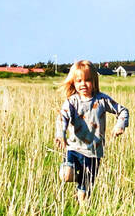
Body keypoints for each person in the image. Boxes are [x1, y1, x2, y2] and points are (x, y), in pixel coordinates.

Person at [54, 60, 129, 202]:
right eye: (79, 81)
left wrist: (120, 125)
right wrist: (60, 133)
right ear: (73, 83)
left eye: (87, 80)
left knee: (84, 193)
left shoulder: (102, 100)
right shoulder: (72, 101)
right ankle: (79, 179)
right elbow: (62, 117)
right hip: (74, 148)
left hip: (94, 153)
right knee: (66, 175)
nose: (83, 84)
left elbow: (123, 111)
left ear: (94, 81)